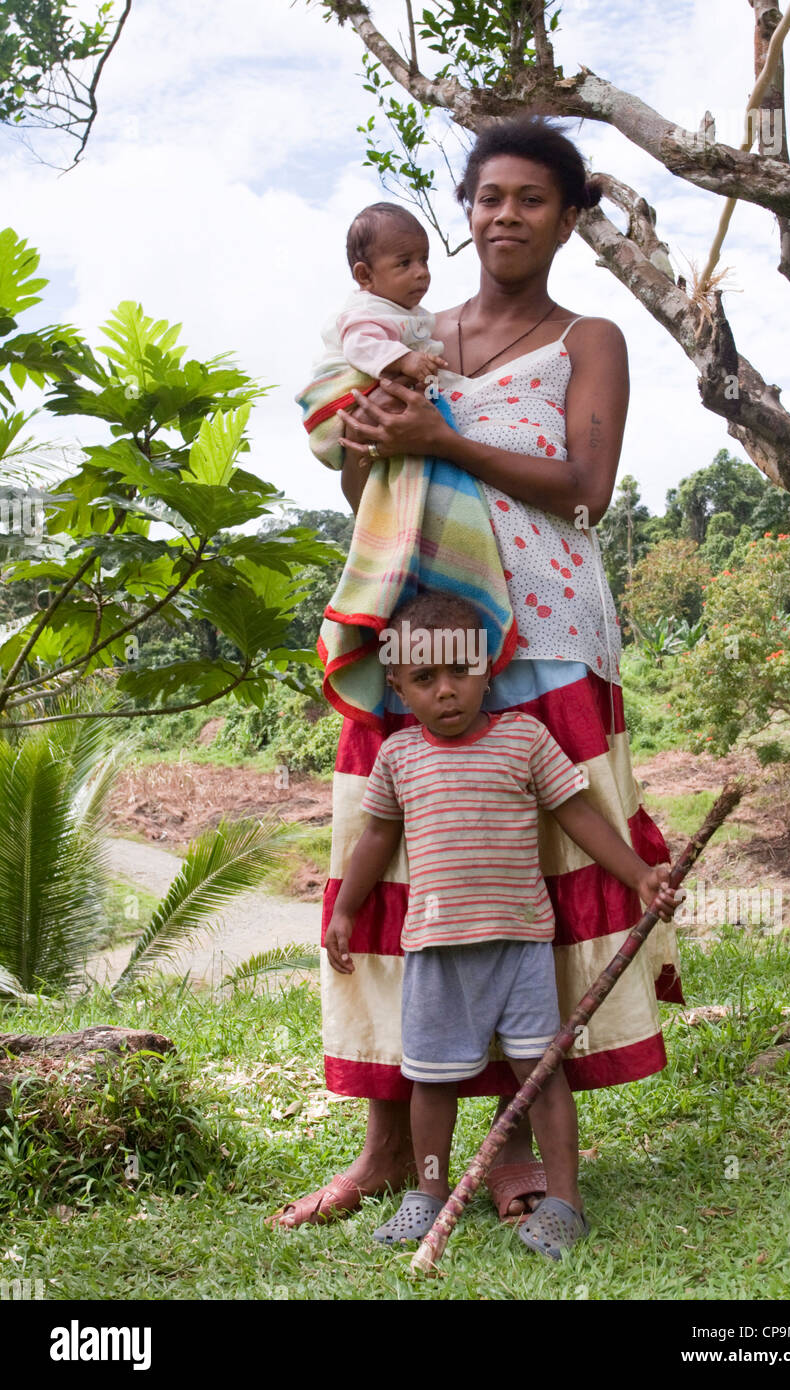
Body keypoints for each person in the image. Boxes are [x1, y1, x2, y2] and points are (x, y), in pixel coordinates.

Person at [268, 115, 684, 1233]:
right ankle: (384, 1150)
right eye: (488, 197)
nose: (505, 215)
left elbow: (581, 483)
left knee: (529, 890)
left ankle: (511, 1160)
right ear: (465, 212)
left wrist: (445, 439)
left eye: (531, 200)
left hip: (544, 631)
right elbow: (366, 490)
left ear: (565, 217)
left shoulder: (585, 335)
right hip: (425, 637)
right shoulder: (407, 331)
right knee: (407, 881)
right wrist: (367, 436)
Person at [324, 591, 678, 1258]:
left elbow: (579, 817)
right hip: (433, 954)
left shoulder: (525, 739)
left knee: (541, 1075)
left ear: (488, 667)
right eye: (425, 679)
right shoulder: (399, 756)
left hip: (521, 950)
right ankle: (427, 1193)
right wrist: (346, 907)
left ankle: (566, 1202)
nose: (447, 691)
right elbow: (375, 838)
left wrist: (638, 874)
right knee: (430, 1082)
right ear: (397, 684)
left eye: (460, 671)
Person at [314, 202, 448, 388]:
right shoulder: (366, 310)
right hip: (343, 391)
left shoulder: (405, 310)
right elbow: (359, 346)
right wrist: (404, 360)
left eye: (423, 260)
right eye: (404, 263)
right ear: (365, 275)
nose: (421, 272)